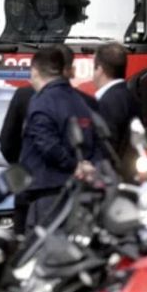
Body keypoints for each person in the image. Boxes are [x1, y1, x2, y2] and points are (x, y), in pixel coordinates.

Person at [19, 47, 98, 231]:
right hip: (78, 191)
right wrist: (84, 165)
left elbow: (47, 145)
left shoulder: (41, 101)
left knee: (45, 244)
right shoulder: (80, 100)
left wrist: (73, 166)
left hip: (48, 193)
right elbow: (94, 140)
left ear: (35, 71)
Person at [93, 42, 141, 180]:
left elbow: (108, 146)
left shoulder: (108, 102)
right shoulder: (129, 96)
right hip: (128, 174)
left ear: (100, 70)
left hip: (112, 179)